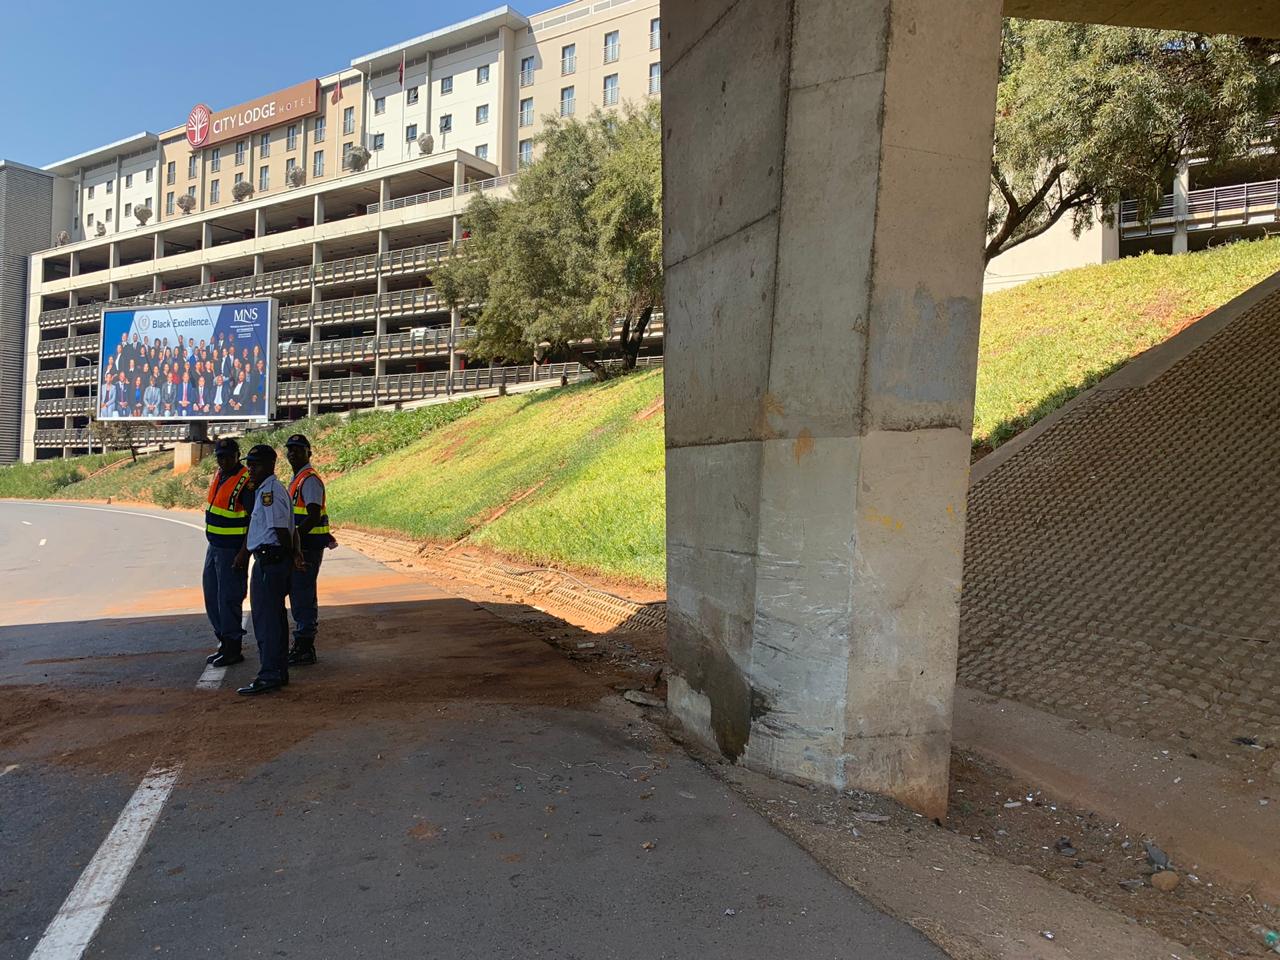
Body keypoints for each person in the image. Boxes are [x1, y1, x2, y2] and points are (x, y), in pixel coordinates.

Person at [239, 444, 301, 696]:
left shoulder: (270, 493)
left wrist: (287, 558)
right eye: (249, 465)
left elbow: (281, 531)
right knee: (273, 619)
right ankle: (277, 671)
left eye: (255, 465)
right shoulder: (267, 490)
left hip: (270, 561)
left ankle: (270, 674)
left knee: (267, 621)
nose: (250, 470)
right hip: (271, 560)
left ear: (271, 465)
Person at [202, 439, 254, 668]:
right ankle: (224, 642)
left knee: (229, 598)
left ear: (237, 455)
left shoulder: (245, 481)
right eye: (220, 457)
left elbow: (254, 519)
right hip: (214, 546)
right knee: (212, 596)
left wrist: (244, 553)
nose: (224, 461)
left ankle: (233, 647)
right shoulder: (219, 474)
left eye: (228, 456)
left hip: (232, 550)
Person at [284, 435, 333, 666]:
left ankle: (305, 646)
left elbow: (313, 516)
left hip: (308, 547)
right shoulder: (298, 479)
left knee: (303, 594)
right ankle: (303, 644)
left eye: (297, 450)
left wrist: (295, 541)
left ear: (308, 453)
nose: (292, 453)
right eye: (290, 450)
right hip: (304, 545)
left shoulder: (309, 480)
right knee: (299, 593)